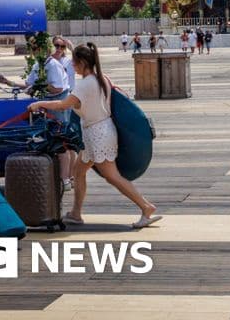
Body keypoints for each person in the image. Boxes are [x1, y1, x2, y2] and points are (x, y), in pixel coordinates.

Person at [28, 44, 161, 229]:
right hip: (96, 132)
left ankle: (146, 207)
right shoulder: (101, 78)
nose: (72, 66)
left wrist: (40, 103)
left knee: (112, 176)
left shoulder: (85, 84)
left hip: (98, 134)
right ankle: (76, 213)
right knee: (78, 171)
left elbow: (64, 104)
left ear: (82, 62)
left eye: (74, 62)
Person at [2, 38, 75, 191]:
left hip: (58, 104)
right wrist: (8, 82)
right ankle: (57, 176)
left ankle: (65, 179)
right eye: (32, 49)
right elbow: (29, 85)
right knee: (50, 139)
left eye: (36, 48)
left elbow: (57, 89)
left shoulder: (53, 65)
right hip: (46, 104)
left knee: (61, 142)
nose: (34, 52)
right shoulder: (38, 65)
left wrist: (41, 85)